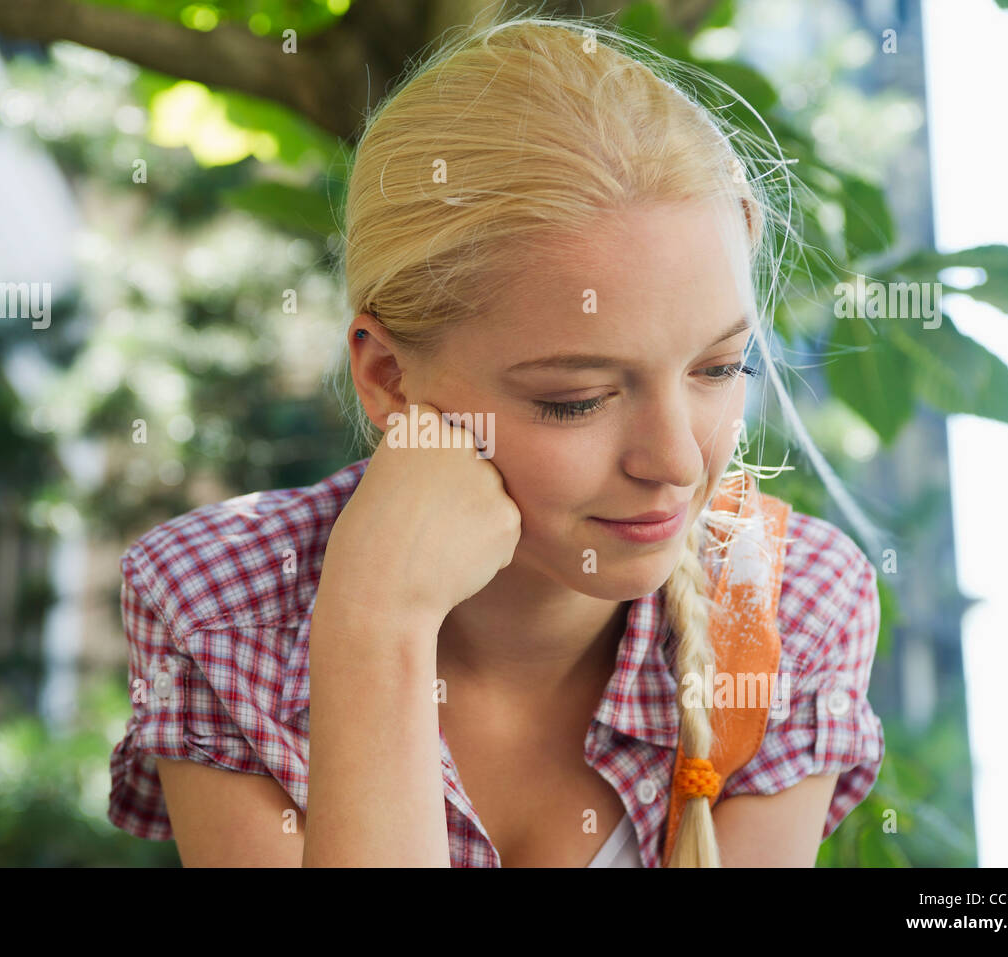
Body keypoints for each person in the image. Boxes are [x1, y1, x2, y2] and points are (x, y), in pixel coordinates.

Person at [107, 12, 885, 867]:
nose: (676, 460)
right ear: (389, 381)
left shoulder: (791, 607)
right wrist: (375, 625)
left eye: (719, 368)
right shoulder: (224, 608)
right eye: (578, 399)